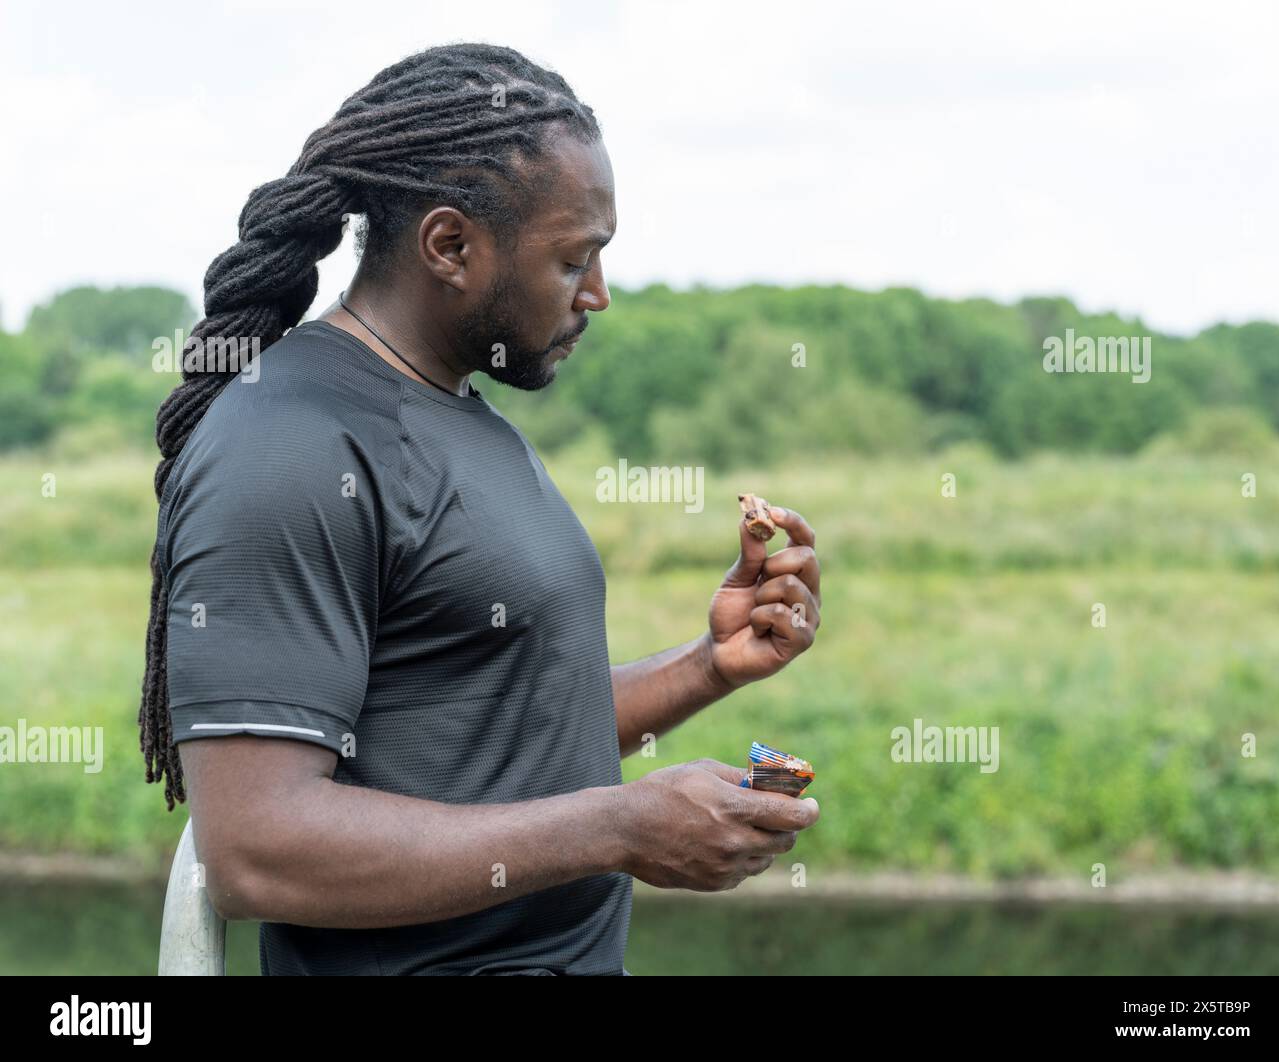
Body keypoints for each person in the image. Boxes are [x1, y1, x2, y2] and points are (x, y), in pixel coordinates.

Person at [138, 42, 822, 976]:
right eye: (574, 258)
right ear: (451, 246)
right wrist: (621, 825)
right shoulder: (286, 442)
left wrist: (708, 666)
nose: (599, 294)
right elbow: (258, 849)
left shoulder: (462, 406)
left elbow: (495, 733)